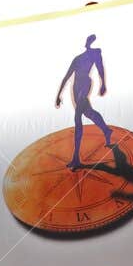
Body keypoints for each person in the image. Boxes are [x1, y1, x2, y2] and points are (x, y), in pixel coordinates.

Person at [55, 33, 112, 169]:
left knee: (78, 116)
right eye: (88, 41)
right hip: (76, 86)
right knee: (88, 113)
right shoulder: (77, 59)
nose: (89, 43)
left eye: (90, 41)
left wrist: (103, 83)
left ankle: (76, 158)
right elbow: (67, 76)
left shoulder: (95, 54)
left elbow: (100, 69)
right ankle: (106, 130)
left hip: (85, 84)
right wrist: (59, 94)